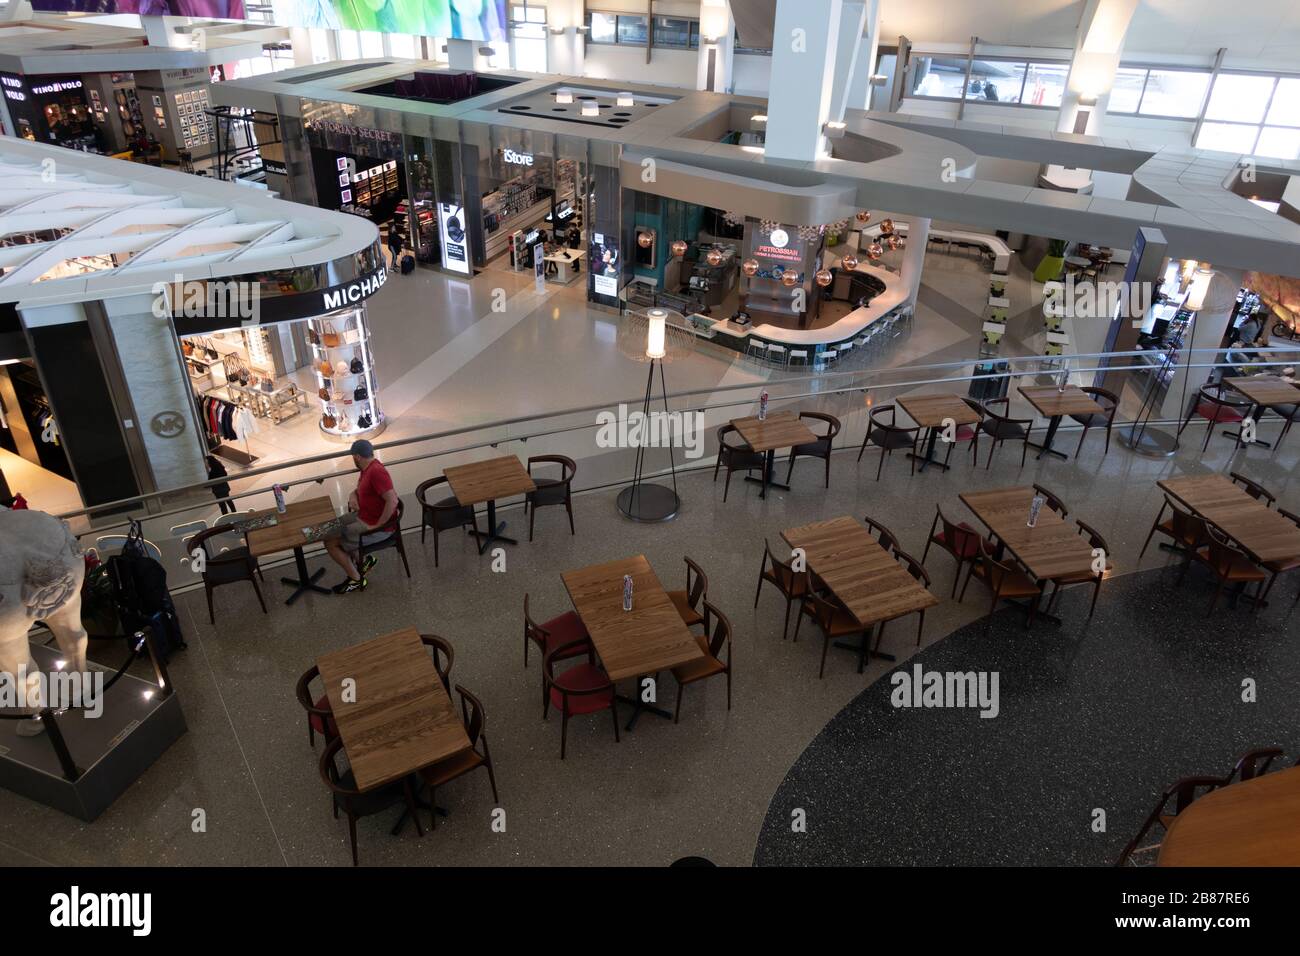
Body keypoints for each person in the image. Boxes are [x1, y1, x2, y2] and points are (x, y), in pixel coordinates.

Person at [324, 440, 398, 594]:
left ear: (357, 456)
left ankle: (356, 579)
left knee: (330, 541)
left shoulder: (377, 472)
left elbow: (392, 500)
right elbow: (360, 489)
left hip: (378, 528)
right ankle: (363, 561)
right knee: (333, 526)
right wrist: (353, 495)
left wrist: (378, 525)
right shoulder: (367, 468)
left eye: (353, 457)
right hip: (363, 515)